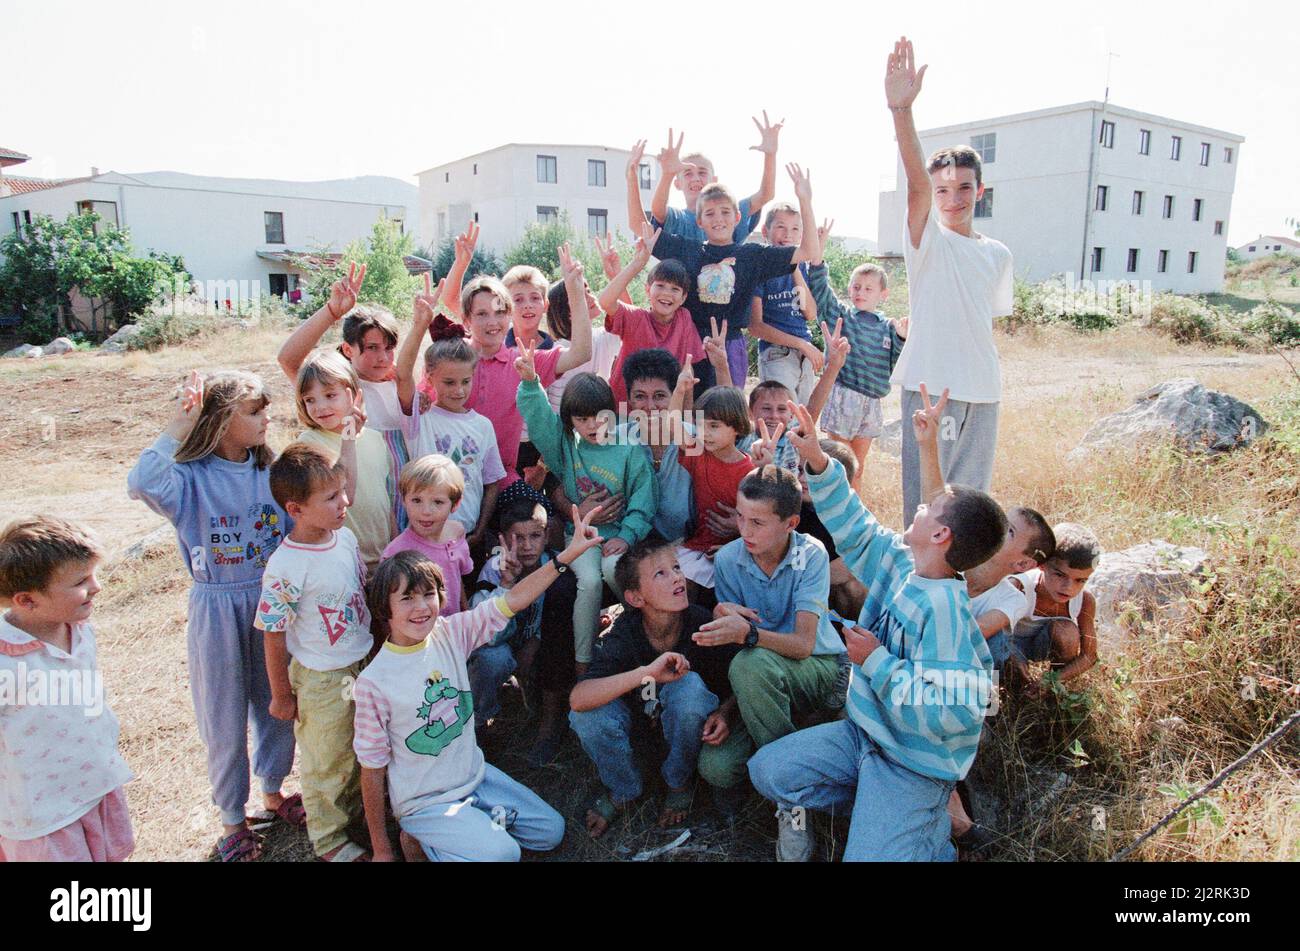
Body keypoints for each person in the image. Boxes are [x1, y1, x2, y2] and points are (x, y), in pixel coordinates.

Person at [748, 401, 1006, 861]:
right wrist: (818, 461)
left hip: (910, 764)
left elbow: (955, 712)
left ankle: (923, 833)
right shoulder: (901, 560)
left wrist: (878, 662)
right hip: (863, 735)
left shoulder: (947, 612)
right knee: (770, 772)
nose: (919, 508)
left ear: (941, 535)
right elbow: (856, 527)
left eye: (928, 507)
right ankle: (895, 819)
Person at [353, 505, 605, 862]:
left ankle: (446, 836)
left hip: (475, 777)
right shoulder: (374, 683)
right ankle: (417, 838)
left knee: (551, 832)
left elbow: (514, 600)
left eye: (428, 595)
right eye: (406, 598)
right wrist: (381, 848)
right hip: (425, 802)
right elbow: (372, 769)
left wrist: (566, 557)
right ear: (385, 609)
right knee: (504, 853)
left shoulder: (450, 633)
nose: (421, 607)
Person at [127, 370, 298, 862]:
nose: (267, 417)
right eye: (254, 410)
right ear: (221, 422)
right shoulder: (188, 479)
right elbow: (142, 480)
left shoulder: (271, 472)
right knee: (222, 716)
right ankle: (231, 819)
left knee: (276, 702)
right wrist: (176, 427)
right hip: (217, 606)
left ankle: (274, 791)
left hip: (269, 606)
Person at [886, 37, 1013, 526]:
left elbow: (983, 322)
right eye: (944, 189)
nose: (954, 198)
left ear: (979, 190)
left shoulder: (998, 254)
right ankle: (918, 593)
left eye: (964, 188)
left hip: (983, 390)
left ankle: (964, 592)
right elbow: (916, 184)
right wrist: (901, 111)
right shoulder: (927, 241)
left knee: (971, 511)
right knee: (925, 509)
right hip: (930, 387)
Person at [570, 537, 743, 836]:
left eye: (676, 567)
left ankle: (678, 783)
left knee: (687, 687)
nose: (677, 576)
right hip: (639, 734)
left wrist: (726, 712)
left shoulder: (702, 624)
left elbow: (739, 680)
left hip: (686, 738)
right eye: (660, 573)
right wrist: (645, 673)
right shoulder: (625, 633)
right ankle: (625, 789)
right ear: (636, 598)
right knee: (587, 716)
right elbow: (578, 699)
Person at [699, 465, 846, 798]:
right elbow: (741, 654)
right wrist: (727, 709)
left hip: (817, 668)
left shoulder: (810, 554)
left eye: (757, 522)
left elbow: (803, 645)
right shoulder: (727, 560)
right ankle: (797, 760)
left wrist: (747, 634)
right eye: (740, 517)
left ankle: (788, 790)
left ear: (791, 523)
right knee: (716, 767)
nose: (744, 531)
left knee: (751, 663)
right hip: (761, 679)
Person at [255, 444, 373, 862]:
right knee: (329, 758)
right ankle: (328, 838)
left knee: (362, 748)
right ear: (296, 508)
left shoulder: (344, 540)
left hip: (362, 663)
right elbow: (272, 635)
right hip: (322, 678)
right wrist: (281, 695)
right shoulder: (285, 566)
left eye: (342, 491)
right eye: (331, 498)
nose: (344, 502)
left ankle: (358, 816)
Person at [0, 516, 135, 862]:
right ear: (27, 600)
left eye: (93, 575)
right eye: (80, 581)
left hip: (93, 782)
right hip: (41, 810)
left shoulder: (80, 629)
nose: (97, 587)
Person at [516, 344, 656, 673]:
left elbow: (644, 496)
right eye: (582, 419)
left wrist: (628, 534)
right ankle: (584, 664)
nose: (592, 425)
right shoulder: (567, 445)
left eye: (599, 417)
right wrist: (531, 382)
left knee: (613, 569)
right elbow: (540, 423)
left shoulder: (628, 447)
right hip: (580, 536)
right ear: (570, 421)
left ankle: (641, 633)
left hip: (619, 536)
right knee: (590, 581)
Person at [648, 163, 821, 390]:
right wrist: (639, 174)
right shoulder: (688, 250)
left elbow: (809, 252)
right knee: (690, 413)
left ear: (737, 217)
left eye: (725, 212)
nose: (718, 218)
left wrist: (805, 202)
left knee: (727, 413)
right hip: (691, 340)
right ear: (699, 221)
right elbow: (645, 230)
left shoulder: (752, 255)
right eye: (709, 213)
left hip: (732, 345)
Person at [396, 285, 508, 557]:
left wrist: (481, 530)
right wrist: (420, 324)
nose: (458, 390)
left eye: (465, 382)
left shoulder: (482, 426)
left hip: (467, 541)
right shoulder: (420, 419)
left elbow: (492, 481)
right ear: (430, 376)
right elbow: (402, 375)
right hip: (423, 541)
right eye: (449, 382)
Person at [467, 498, 580, 766]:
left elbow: (558, 623)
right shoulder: (494, 570)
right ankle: (479, 722)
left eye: (535, 536)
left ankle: (551, 716)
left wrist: (535, 643)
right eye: (518, 537)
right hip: (504, 645)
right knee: (492, 658)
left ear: (547, 536)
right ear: (503, 539)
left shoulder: (555, 566)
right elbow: (487, 635)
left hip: (541, 646)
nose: (527, 546)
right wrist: (507, 585)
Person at [807, 222, 908, 486]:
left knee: (858, 467)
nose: (860, 292)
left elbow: (895, 363)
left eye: (868, 288)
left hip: (872, 402)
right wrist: (819, 250)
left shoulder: (889, 327)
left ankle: (856, 515)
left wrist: (902, 337)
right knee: (839, 465)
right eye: (856, 287)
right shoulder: (842, 315)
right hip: (844, 396)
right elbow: (819, 288)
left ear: (882, 295)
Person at [292, 349, 400, 574]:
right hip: (341, 563)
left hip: (383, 560)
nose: (320, 407)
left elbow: (385, 501)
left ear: (355, 395)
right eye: (310, 400)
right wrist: (348, 439)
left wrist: (395, 547)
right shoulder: (308, 444)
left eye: (330, 395)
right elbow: (345, 496)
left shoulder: (375, 439)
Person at [277, 262, 411, 432]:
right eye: (372, 347)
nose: (383, 358)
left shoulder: (399, 385)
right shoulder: (335, 388)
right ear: (348, 349)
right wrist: (332, 311)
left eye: (389, 348)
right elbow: (288, 360)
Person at [626, 115, 781, 246]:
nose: (695, 178)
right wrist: (665, 175)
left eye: (702, 172)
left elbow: (766, 195)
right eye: (687, 173)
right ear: (677, 183)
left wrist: (770, 155)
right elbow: (655, 213)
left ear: (714, 180)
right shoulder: (678, 218)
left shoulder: (729, 213)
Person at [597, 222, 702, 406]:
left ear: (684, 297)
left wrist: (686, 419)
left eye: (675, 289)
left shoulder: (683, 318)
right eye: (660, 285)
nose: (667, 293)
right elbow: (605, 301)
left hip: (663, 411)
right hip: (624, 409)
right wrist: (638, 263)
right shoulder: (636, 318)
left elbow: (688, 370)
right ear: (647, 290)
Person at [1008, 524, 1101, 699]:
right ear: (1042, 565)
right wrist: (1014, 660)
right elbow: (995, 635)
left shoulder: (1084, 601)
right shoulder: (1020, 586)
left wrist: (1052, 680)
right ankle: (1016, 696)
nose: (1068, 587)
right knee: (1012, 667)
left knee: (1067, 632)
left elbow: (1089, 656)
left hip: (1040, 645)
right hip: (1009, 644)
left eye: (1080, 580)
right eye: (1060, 575)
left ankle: (1049, 695)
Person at [382, 454, 474, 616]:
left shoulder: (457, 535)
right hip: (418, 636)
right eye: (417, 500)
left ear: (455, 504)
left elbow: (457, 579)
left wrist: (466, 615)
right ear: (403, 500)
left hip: (454, 633)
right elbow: (386, 609)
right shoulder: (395, 553)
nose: (425, 511)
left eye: (437, 502)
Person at [750, 202, 819, 402]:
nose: (788, 234)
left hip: (805, 355)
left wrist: (794, 267)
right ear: (766, 231)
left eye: (795, 229)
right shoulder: (761, 269)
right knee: (780, 413)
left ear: (801, 236)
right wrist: (801, 344)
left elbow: (811, 314)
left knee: (802, 419)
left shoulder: (802, 268)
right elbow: (755, 327)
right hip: (777, 353)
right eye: (780, 227)